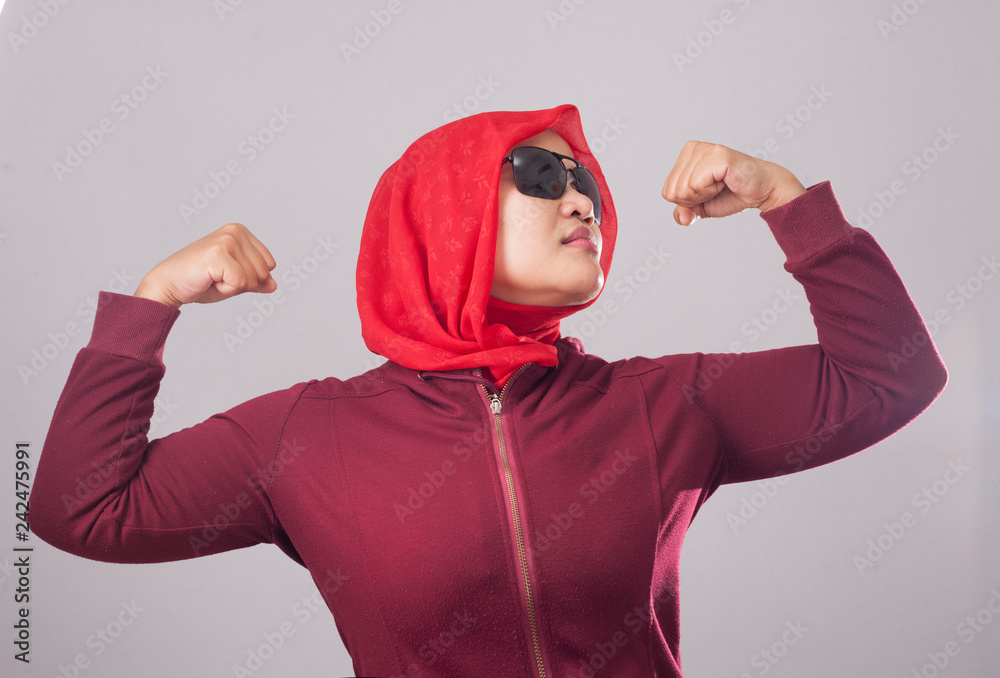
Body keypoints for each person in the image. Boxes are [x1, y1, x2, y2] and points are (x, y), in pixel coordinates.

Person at [30, 104, 947, 678]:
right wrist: (148, 306)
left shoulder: (665, 404)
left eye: (583, 178)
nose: (582, 200)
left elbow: (889, 375)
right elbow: (79, 510)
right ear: (439, 217)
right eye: (541, 176)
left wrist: (788, 200)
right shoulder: (308, 437)